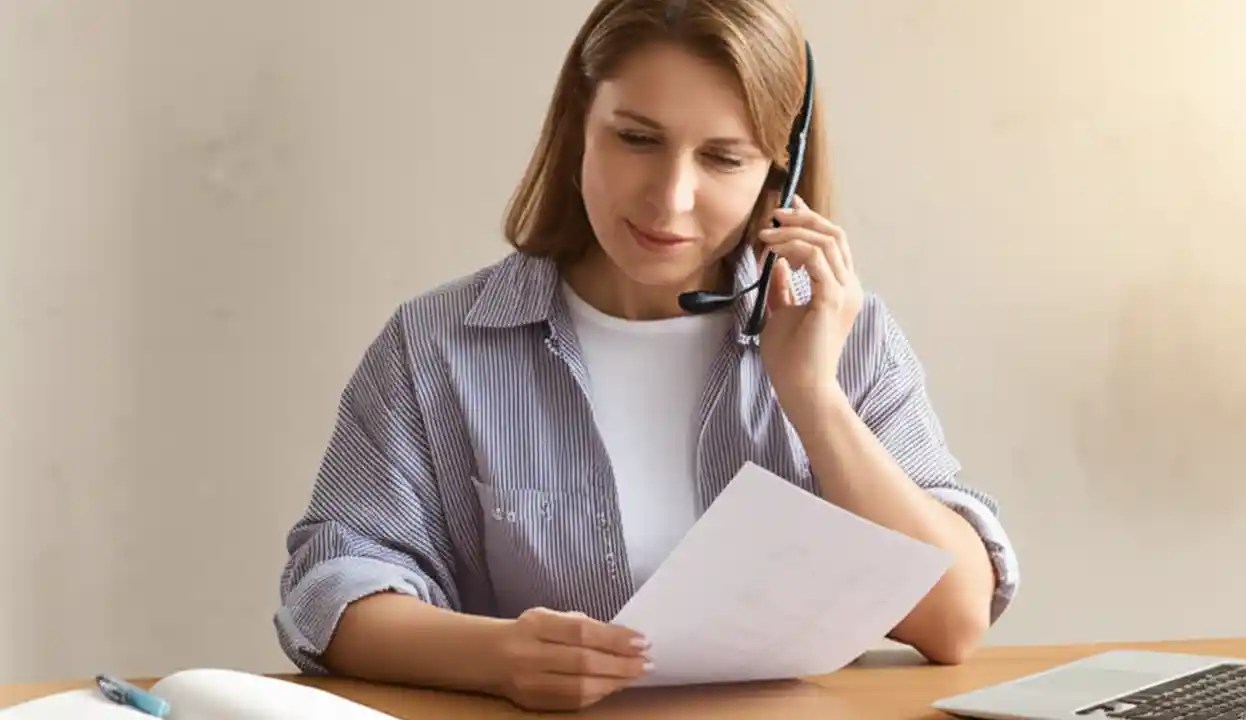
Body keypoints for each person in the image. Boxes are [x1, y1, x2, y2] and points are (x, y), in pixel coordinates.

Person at [273, 0, 1019, 711]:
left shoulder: (848, 336)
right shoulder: (437, 345)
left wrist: (815, 398)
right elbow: (330, 590)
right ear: (579, 125)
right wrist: (496, 658)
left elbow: (954, 621)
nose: (671, 199)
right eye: (636, 139)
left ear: (779, 173)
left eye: (723, 158)